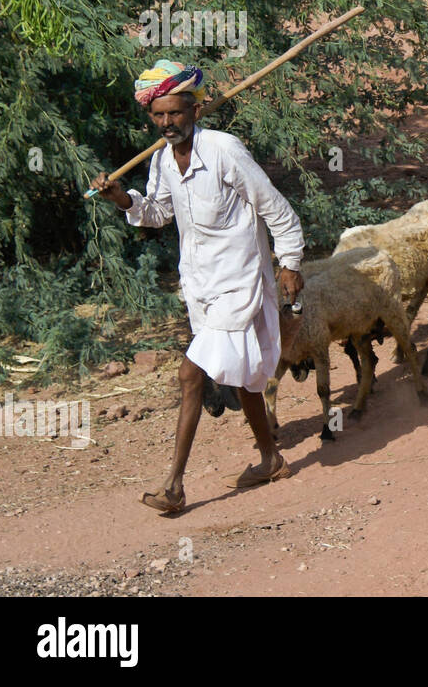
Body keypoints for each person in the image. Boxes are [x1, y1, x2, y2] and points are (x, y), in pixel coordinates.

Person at [92, 59, 305, 514]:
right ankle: (271, 459)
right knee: (243, 376)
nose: (167, 123)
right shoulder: (163, 161)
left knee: (192, 375)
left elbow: (277, 209)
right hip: (200, 285)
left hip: (241, 280)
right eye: (159, 116)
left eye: (175, 113)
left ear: (196, 109)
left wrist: (290, 262)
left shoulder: (225, 150)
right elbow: (157, 213)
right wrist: (121, 199)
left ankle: (174, 486)